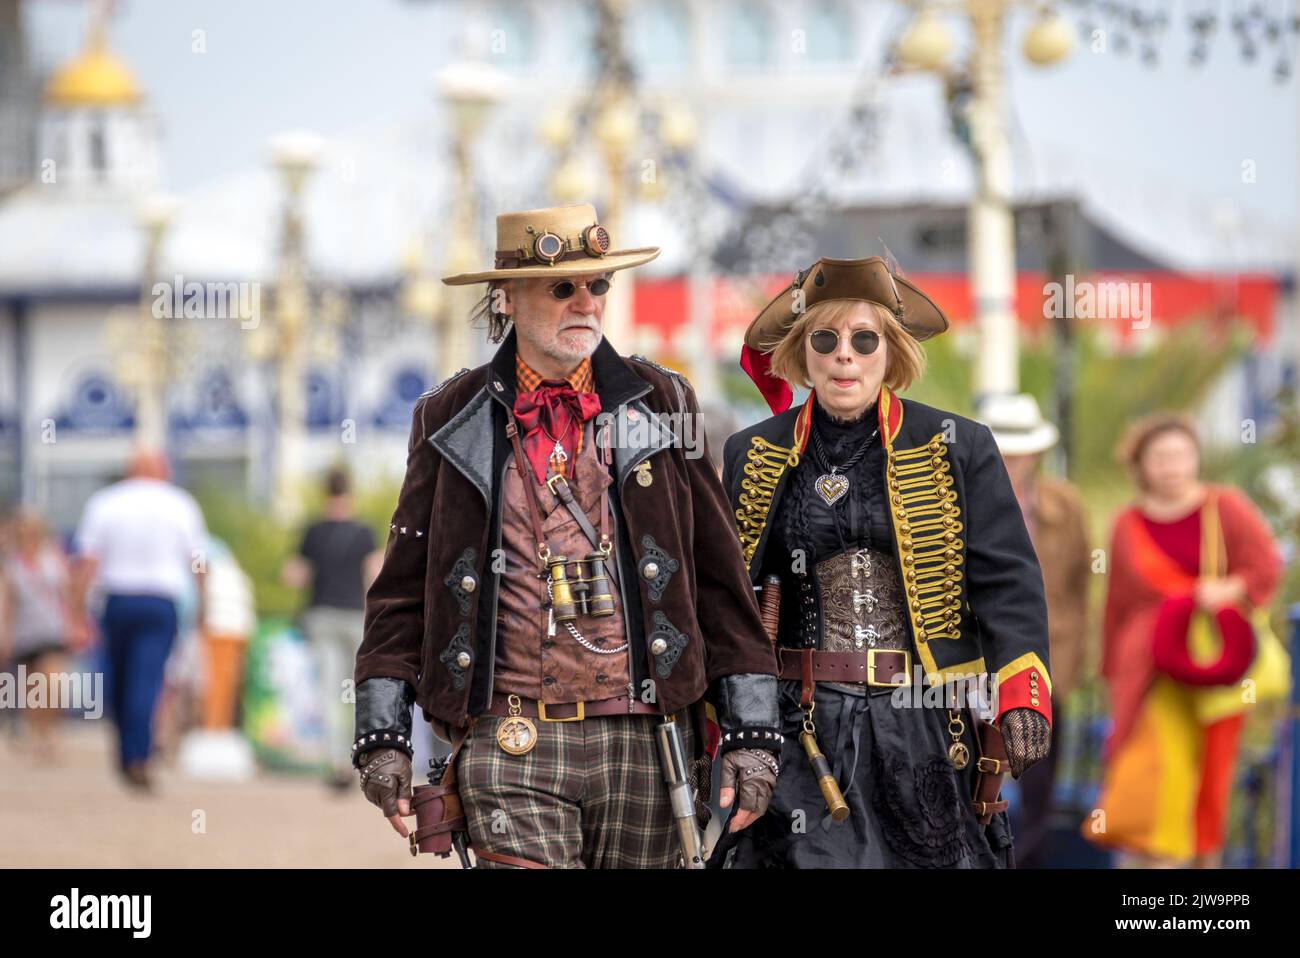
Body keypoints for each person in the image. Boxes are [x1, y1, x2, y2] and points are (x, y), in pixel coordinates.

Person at [352, 203, 781, 868]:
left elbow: (719, 575)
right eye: (563, 287)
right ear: (507, 296)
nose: (586, 301)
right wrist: (382, 734)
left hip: (648, 741)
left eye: (598, 285)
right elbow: (402, 592)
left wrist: (752, 729)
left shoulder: (664, 401)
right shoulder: (448, 415)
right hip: (509, 739)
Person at [720, 256, 1053, 868]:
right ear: (803, 351)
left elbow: (1007, 581)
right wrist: (742, 726)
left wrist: (1023, 694)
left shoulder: (959, 443)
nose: (844, 354)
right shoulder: (754, 449)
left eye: (863, 339)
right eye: (826, 339)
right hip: (801, 724)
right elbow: (730, 600)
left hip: (923, 720)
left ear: (889, 350)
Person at [1085, 413, 1282, 868]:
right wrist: (1112, 673)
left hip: (1215, 662)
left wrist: (1229, 588)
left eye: (1180, 454)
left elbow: (1265, 566)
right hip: (1150, 668)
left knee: (1212, 774)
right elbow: (1116, 603)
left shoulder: (1224, 506)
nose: (1171, 466)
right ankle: (1156, 859)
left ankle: (1204, 865)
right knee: (1154, 769)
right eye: (1160, 456)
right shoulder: (1127, 524)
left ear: (1195, 458)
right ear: (1141, 465)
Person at [984, 393, 1091, 868]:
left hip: (1049, 663)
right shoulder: (960, 501)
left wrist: (1075, 660)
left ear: (1037, 452)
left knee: (1041, 783)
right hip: (976, 664)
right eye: (1004, 448)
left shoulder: (1065, 506)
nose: (1012, 459)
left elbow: (1082, 584)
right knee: (974, 773)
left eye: (1021, 449)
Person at [73, 449, 208, 789]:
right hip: (159, 602)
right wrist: (203, 599)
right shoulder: (179, 503)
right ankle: (137, 755)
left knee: (118, 678)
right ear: (161, 469)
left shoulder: (105, 503)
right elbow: (198, 560)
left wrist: (76, 609)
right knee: (146, 679)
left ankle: (130, 753)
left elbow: (87, 561)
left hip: (117, 601)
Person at [282, 466, 381, 787]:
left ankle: (337, 761)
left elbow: (295, 574)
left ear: (326, 492)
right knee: (359, 690)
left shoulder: (312, 531)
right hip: (355, 616)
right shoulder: (365, 531)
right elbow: (376, 574)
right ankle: (365, 755)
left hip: (322, 616)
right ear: (349, 492)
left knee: (329, 691)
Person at [0, 509, 81, 759]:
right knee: (34, 688)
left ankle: (51, 730)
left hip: (52, 629)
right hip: (25, 632)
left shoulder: (52, 559)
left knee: (54, 682)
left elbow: (67, 592)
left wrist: (75, 622)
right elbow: (7, 603)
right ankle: (39, 734)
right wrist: (5, 634)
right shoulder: (11, 565)